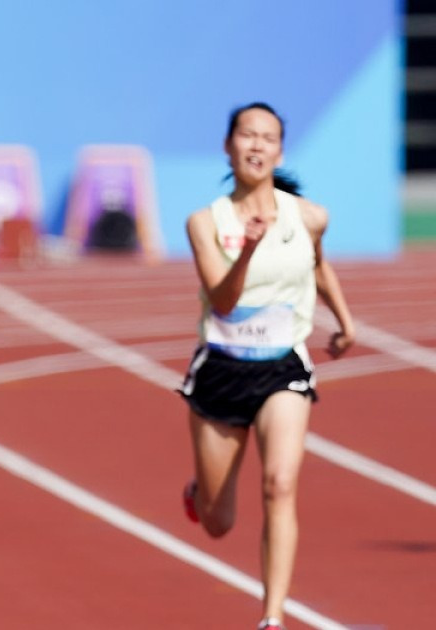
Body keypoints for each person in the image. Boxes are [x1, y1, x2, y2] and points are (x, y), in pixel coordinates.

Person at [179, 102, 356, 630]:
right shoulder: (205, 223)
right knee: (217, 522)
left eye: (268, 137)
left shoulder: (308, 216)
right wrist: (250, 249)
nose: (257, 145)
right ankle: (199, 493)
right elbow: (224, 300)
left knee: (279, 483)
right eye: (247, 135)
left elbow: (318, 264)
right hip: (222, 370)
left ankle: (272, 617)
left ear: (280, 150)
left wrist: (345, 320)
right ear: (229, 147)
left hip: (284, 368)